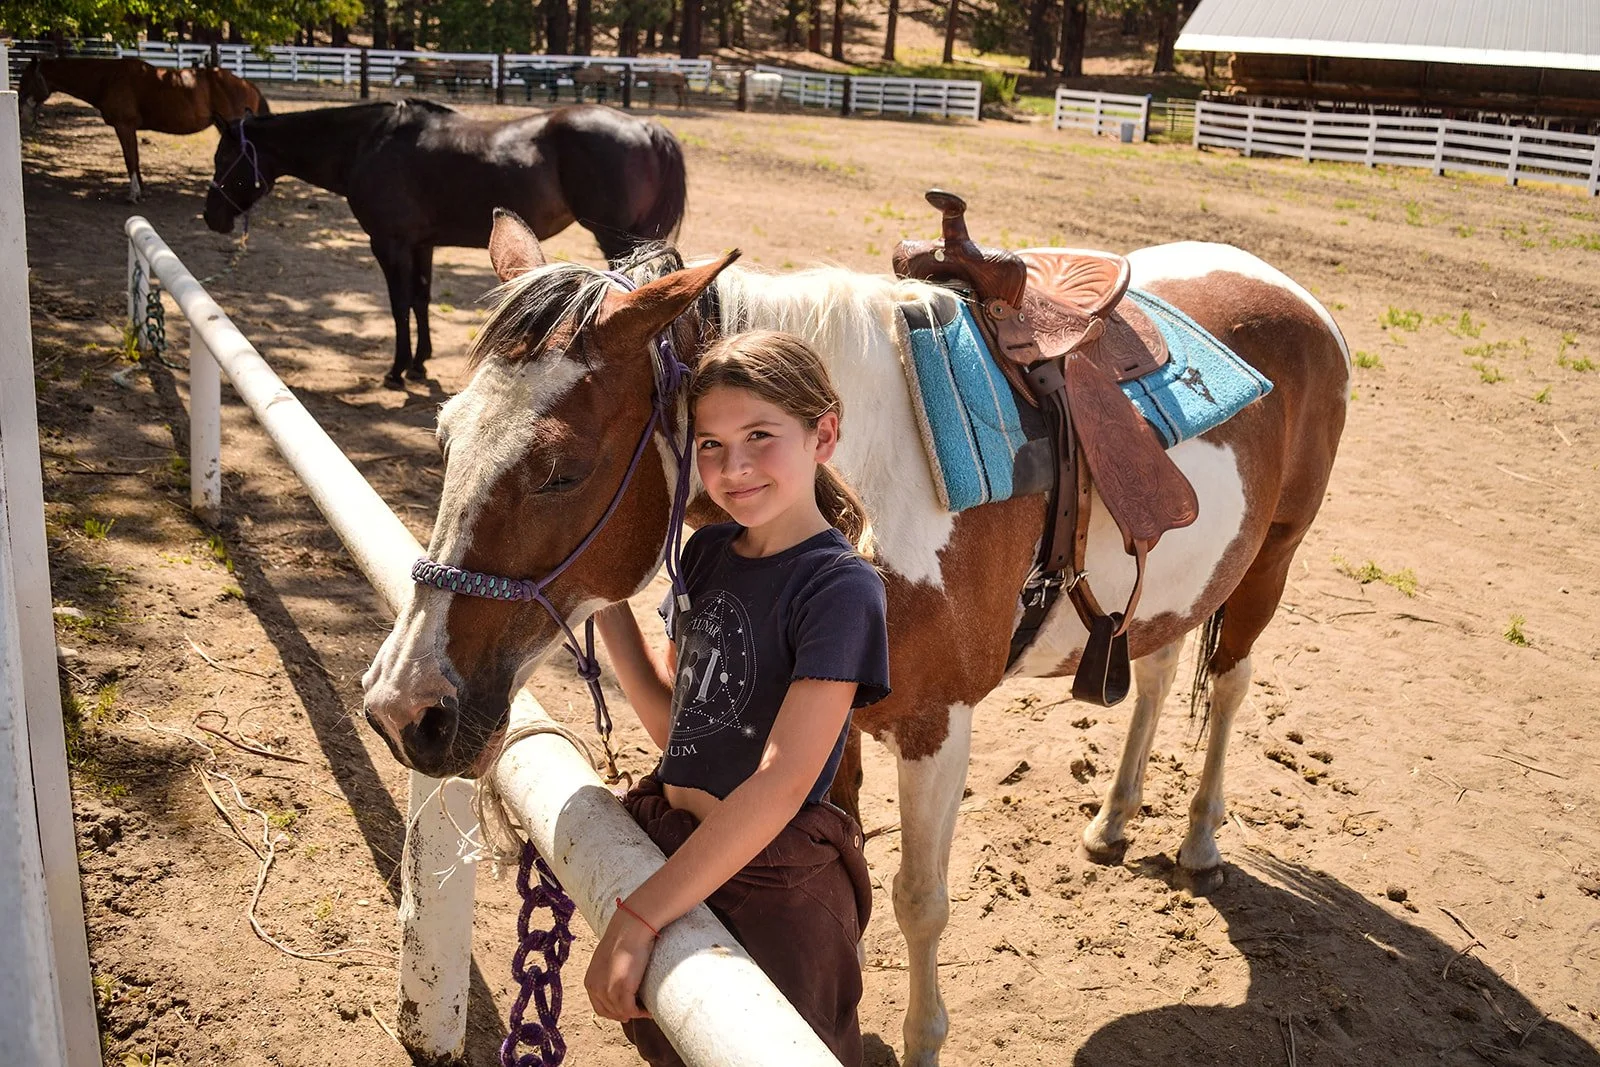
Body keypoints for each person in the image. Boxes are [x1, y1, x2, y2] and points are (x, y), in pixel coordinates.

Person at [586, 330, 890, 1066]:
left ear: (824, 433)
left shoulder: (839, 587)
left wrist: (639, 913)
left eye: (760, 435)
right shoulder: (707, 552)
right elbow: (679, 726)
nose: (734, 466)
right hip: (684, 851)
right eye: (712, 444)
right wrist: (600, 599)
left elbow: (784, 782)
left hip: (775, 888)